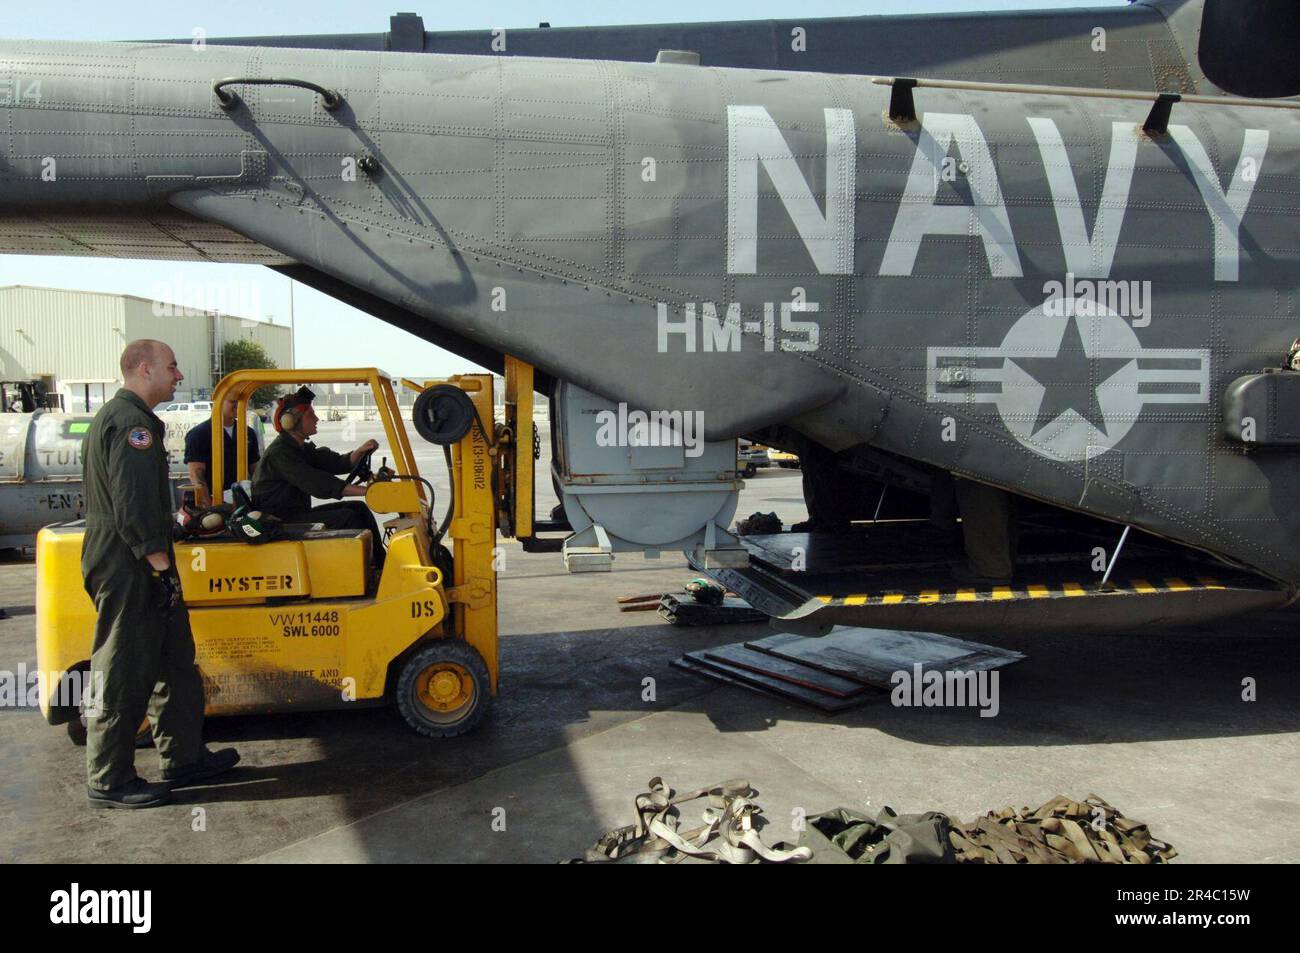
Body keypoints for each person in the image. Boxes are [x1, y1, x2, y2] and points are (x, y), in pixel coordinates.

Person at [81, 340, 239, 809]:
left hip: (142, 555)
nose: (177, 374)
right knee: (126, 666)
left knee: (175, 663)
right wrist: (159, 565)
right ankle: (109, 779)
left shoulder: (133, 420)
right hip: (129, 562)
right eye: (171, 366)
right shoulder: (132, 425)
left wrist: (174, 528)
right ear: (145, 369)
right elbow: (130, 504)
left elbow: (139, 501)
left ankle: (183, 758)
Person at [251, 386, 384, 568]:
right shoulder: (280, 453)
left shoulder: (299, 448)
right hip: (280, 520)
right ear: (292, 421)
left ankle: (381, 564)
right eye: (311, 415)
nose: (317, 419)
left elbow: (334, 463)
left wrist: (359, 452)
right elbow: (317, 483)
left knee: (358, 508)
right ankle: (362, 572)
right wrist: (370, 491)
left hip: (294, 514)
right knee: (347, 517)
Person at [183, 396, 261, 504]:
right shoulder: (199, 434)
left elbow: (255, 468)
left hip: (242, 499)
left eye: (242, 402)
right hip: (214, 499)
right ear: (217, 403)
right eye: (233, 401)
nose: (238, 406)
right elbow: (196, 473)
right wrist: (209, 506)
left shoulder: (248, 433)